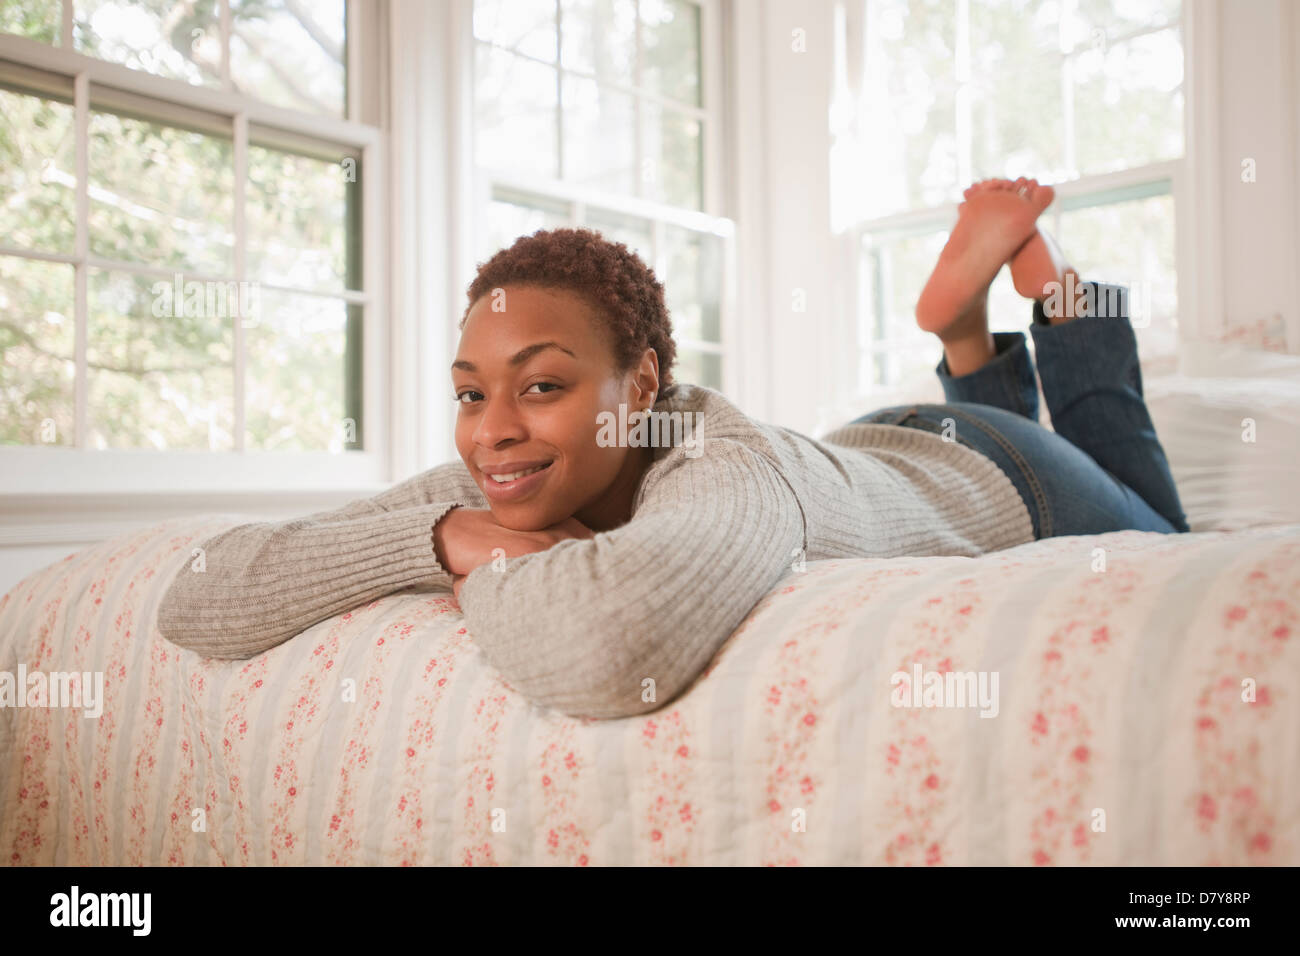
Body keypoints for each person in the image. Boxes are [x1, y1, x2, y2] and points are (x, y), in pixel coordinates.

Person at [157, 178, 1186, 719]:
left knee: (1169, 533)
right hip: (888, 443)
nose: (493, 428)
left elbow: (605, 645)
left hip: (1002, 474)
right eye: (471, 392)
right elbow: (197, 595)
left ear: (640, 387)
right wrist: (444, 536)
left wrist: (492, 558)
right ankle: (963, 332)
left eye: (544, 384)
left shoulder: (717, 464)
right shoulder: (495, 474)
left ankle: (1063, 296)